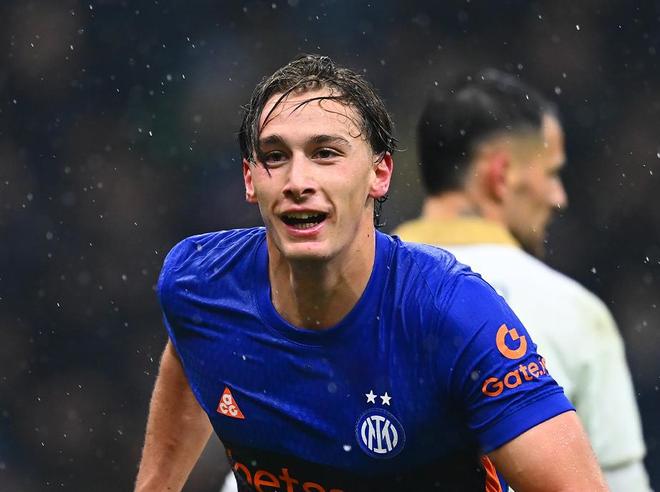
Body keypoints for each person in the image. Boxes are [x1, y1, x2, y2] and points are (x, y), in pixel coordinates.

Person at [135, 55, 606, 492]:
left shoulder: (453, 314)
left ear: (379, 175)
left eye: (325, 153)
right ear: (249, 179)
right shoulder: (200, 284)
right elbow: (192, 344)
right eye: (275, 156)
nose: (298, 182)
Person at [394, 69, 650, 491]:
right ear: (501, 175)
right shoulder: (573, 312)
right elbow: (621, 483)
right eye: (551, 173)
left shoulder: (355, 292)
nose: (559, 197)